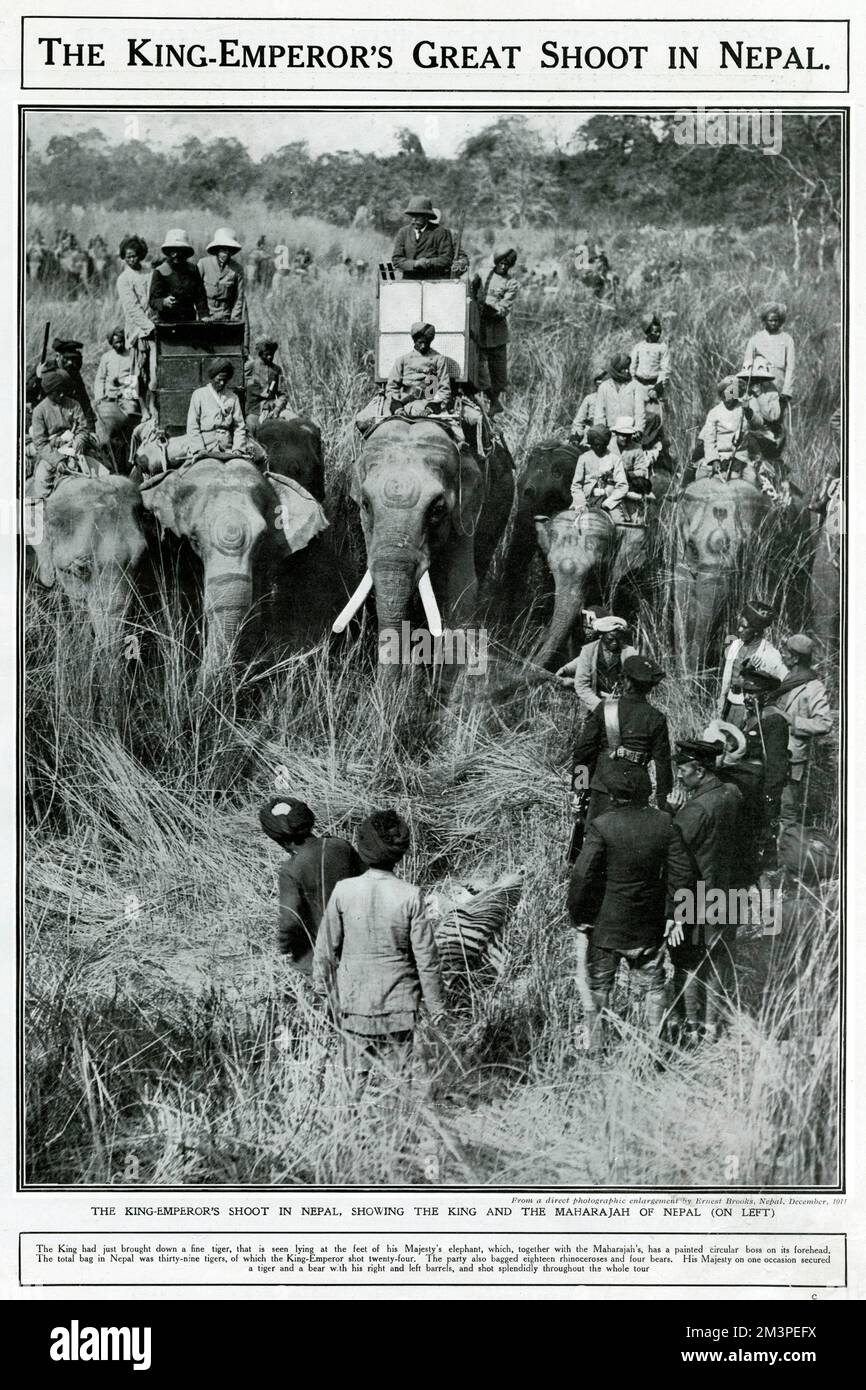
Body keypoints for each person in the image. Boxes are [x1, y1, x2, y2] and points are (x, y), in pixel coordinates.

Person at [314, 809, 445, 1095]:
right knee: (398, 1084)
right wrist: (436, 1007)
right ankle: (397, 1137)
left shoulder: (343, 890)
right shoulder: (410, 895)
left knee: (352, 1085)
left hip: (354, 1005)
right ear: (399, 853)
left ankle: (350, 1135)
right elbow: (427, 960)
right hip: (398, 1007)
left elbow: (325, 951)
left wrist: (322, 992)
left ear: (362, 848)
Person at [567, 760, 693, 1056]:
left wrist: (579, 915)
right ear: (647, 792)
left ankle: (597, 1048)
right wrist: (675, 913)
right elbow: (683, 873)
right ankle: (656, 1050)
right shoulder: (665, 822)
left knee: (600, 988)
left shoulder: (602, 826)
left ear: (613, 796)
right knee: (653, 987)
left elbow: (583, 875)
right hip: (649, 925)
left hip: (606, 928)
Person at [665, 738, 745, 1043]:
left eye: (683, 769)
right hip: (731, 891)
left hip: (697, 894)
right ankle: (713, 1026)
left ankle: (692, 1027)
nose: (679, 776)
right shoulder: (732, 793)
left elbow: (676, 853)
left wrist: (673, 814)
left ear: (699, 769)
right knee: (720, 959)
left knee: (687, 960)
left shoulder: (694, 810)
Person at [259, 795, 360, 975]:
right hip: (362, 942)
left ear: (278, 839)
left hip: (326, 956)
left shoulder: (291, 869)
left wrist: (284, 946)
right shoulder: (340, 845)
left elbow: (290, 919)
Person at [571, 653, 673, 828]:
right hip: (637, 790)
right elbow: (663, 764)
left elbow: (583, 753)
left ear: (626, 682)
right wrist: (663, 802)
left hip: (603, 786)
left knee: (596, 841)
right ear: (649, 687)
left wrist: (579, 789)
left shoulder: (605, 708)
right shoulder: (656, 718)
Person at [773, 635, 833, 826]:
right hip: (773, 753)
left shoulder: (814, 687)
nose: (782, 655)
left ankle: (786, 850)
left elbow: (824, 723)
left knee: (786, 810)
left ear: (796, 658)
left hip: (791, 759)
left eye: (786, 652)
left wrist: (792, 721)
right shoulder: (786, 678)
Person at [739, 667, 790, 865]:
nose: (747, 697)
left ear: (765, 694)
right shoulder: (752, 716)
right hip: (749, 786)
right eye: (746, 692)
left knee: (765, 836)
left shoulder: (773, 720)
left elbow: (776, 764)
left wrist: (770, 796)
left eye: (752, 693)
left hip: (763, 790)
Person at [28, 368, 93, 499]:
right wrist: (57, 461)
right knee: (41, 485)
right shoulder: (39, 411)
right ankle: (41, 513)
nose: (61, 395)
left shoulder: (73, 404)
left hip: (76, 446)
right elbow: (40, 443)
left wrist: (80, 440)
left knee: (101, 473)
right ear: (49, 393)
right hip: (52, 450)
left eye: (62, 390)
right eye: (57, 392)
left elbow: (83, 427)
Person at [719, 600, 786, 725]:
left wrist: (760, 674)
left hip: (750, 712)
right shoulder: (735, 646)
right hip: (728, 706)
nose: (739, 630)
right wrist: (722, 698)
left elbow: (783, 682)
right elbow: (727, 678)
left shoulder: (770, 654)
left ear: (756, 630)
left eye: (744, 627)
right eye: (739, 625)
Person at [555, 612, 637, 713]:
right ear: (601, 636)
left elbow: (637, 686)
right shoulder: (589, 651)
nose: (615, 642)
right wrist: (599, 707)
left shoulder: (629, 653)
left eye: (618, 639)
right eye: (610, 639)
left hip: (623, 704)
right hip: (595, 701)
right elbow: (582, 685)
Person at [184, 359, 264, 462]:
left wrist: (238, 449)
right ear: (212, 377)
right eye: (219, 379)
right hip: (205, 447)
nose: (222, 383)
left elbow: (239, 426)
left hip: (227, 449)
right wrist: (199, 449)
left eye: (225, 380)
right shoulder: (199, 395)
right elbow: (192, 425)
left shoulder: (233, 397)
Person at [476, 249, 519, 415]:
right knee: (478, 366)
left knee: (498, 370)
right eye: (500, 263)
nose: (503, 266)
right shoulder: (482, 273)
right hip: (478, 326)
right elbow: (471, 290)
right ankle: (487, 397)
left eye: (506, 265)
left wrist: (491, 310)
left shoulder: (511, 283)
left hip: (496, 330)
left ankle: (495, 402)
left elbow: (504, 308)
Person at [116, 234, 155, 410]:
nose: (131, 259)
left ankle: (152, 406)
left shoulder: (150, 272)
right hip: (136, 330)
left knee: (152, 370)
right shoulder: (124, 279)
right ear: (124, 258)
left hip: (153, 327)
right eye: (128, 256)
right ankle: (133, 407)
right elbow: (132, 308)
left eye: (134, 255)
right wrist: (148, 326)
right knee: (136, 370)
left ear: (140, 254)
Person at [385, 322, 452, 413]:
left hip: (429, 403)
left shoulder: (439, 359)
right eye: (420, 342)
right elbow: (392, 387)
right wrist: (396, 406)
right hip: (403, 402)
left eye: (427, 342)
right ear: (414, 341)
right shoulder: (402, 360)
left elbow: (444, 389)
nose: (423, 346)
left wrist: (432, 407)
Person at [147, 228, 208, 324]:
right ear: (168, 252)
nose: (176, 255)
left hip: (189, 321)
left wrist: (204, 315)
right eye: (173, 251)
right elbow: (153, 301)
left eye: (179, 251)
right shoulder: (160, 271)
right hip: (167, 322)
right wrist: (163, 302)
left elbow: (200, 296)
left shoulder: (193, 270)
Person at [569, 425, 629, 522]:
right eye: (595, 444)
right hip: (586, 500)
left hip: (608, 500)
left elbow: (623, 486)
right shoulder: (583, 458)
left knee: (618, 522)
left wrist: (609, 501)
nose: (597, 447)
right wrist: (581, 503)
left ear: (605, 443)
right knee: (570, 522)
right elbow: (576, 485)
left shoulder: (615, 459)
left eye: (600, 445)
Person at [695, 375, 748, 480]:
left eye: (732, 394)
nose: (728, 399)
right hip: (718, 454)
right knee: (700, 475)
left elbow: (751, 430)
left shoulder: (743, 409)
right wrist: (714, 459)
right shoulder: (714, 413)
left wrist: (748, 411)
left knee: (748, 478)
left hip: (738, 455)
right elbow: (709, 438)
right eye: (725, 395)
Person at [742, 301, 795, 403]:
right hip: (758, 384)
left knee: (777, 415)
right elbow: (747, 365)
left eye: (776, 320)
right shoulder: (755, 339)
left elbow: (790, 368)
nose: (774, 323)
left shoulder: (787, 339)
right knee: (758, 415)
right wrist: (748, 388)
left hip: (778, 384)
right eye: (770, 320)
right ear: (764, 320)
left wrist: (786, 391)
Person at [391, 196, 454, 280]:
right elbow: (397, 259)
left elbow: (447, 259)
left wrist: (428, 262)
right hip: (409, 283)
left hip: (435, 282)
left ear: (426, 217)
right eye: (412, 216)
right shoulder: (403, 232)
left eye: (418, 216)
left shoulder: (440, 232)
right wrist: (415, 264)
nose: (414, 219)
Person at [629, 312, 671, 431]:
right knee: (639, 415)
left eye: (659, 331)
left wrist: (659, 386)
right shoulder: (639, 347)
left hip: (655, 386)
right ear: (647, 332)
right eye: (654, 331)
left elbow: (665, 369)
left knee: (659, 418)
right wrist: (633, 382)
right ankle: (638, 436)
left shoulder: (662, 347)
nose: (658, 334)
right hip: (640, 385)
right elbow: (632, 365)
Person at [198, 227, 247, 325]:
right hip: (205, 317)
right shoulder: (203, 264)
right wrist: (202, 314)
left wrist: (234, 319)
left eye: (229, 250)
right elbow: (196, 292)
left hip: (226, 317)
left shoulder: (237, 269)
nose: (226, 253)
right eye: (223, 249)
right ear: (217, 249)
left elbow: (239, 297)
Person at [244, 338, 289, 435]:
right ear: (260, 353)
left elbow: (283, 393)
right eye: (266, 354)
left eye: (271, 354)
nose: (269, 357)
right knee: (251, 427)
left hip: (271, 409)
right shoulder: (250, 366)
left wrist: (277, 409)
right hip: (254, 411)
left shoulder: (277, 370)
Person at [593, 352, 637, 429]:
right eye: (623, 369)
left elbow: (640, 413)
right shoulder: (604, 387)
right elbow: (599, 415)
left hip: (631, 431)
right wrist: (602, 432)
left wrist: (638, 430)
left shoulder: (634, 386)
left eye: (627, 369)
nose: (626, 372)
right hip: (611, 430)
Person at [569, 371, 606, 446]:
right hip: (591, 434)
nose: (599, 386)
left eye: (602, 384)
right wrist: (576, 436)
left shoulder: (614, 400)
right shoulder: (590, 398)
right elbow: (579, 420)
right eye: (597, 384)